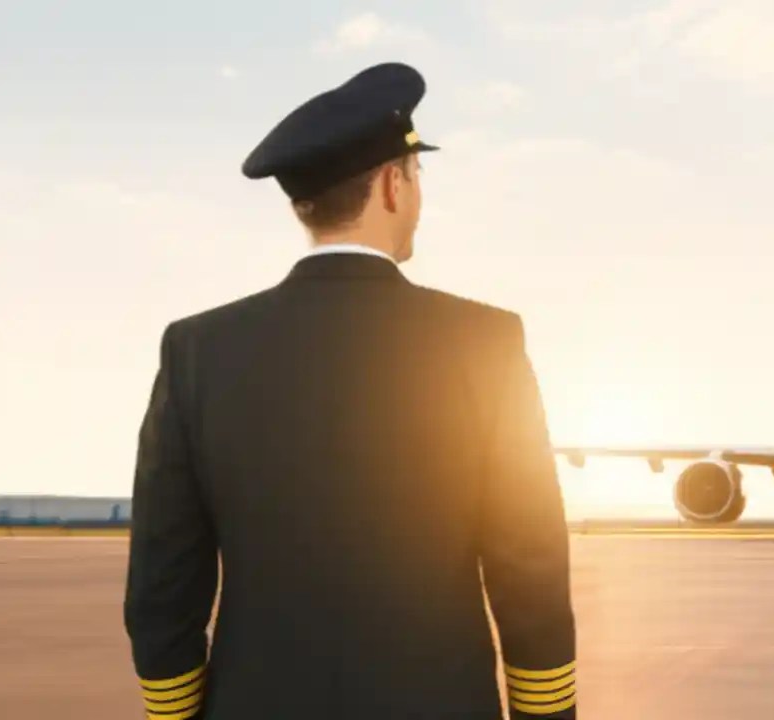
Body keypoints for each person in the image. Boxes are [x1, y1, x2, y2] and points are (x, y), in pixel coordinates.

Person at [123, 62, 577, 719]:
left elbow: (163, 585)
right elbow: (529, 572)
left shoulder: (198, 350)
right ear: (395, 184)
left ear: (303, 204)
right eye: (418, 176)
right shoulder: (487, 343)